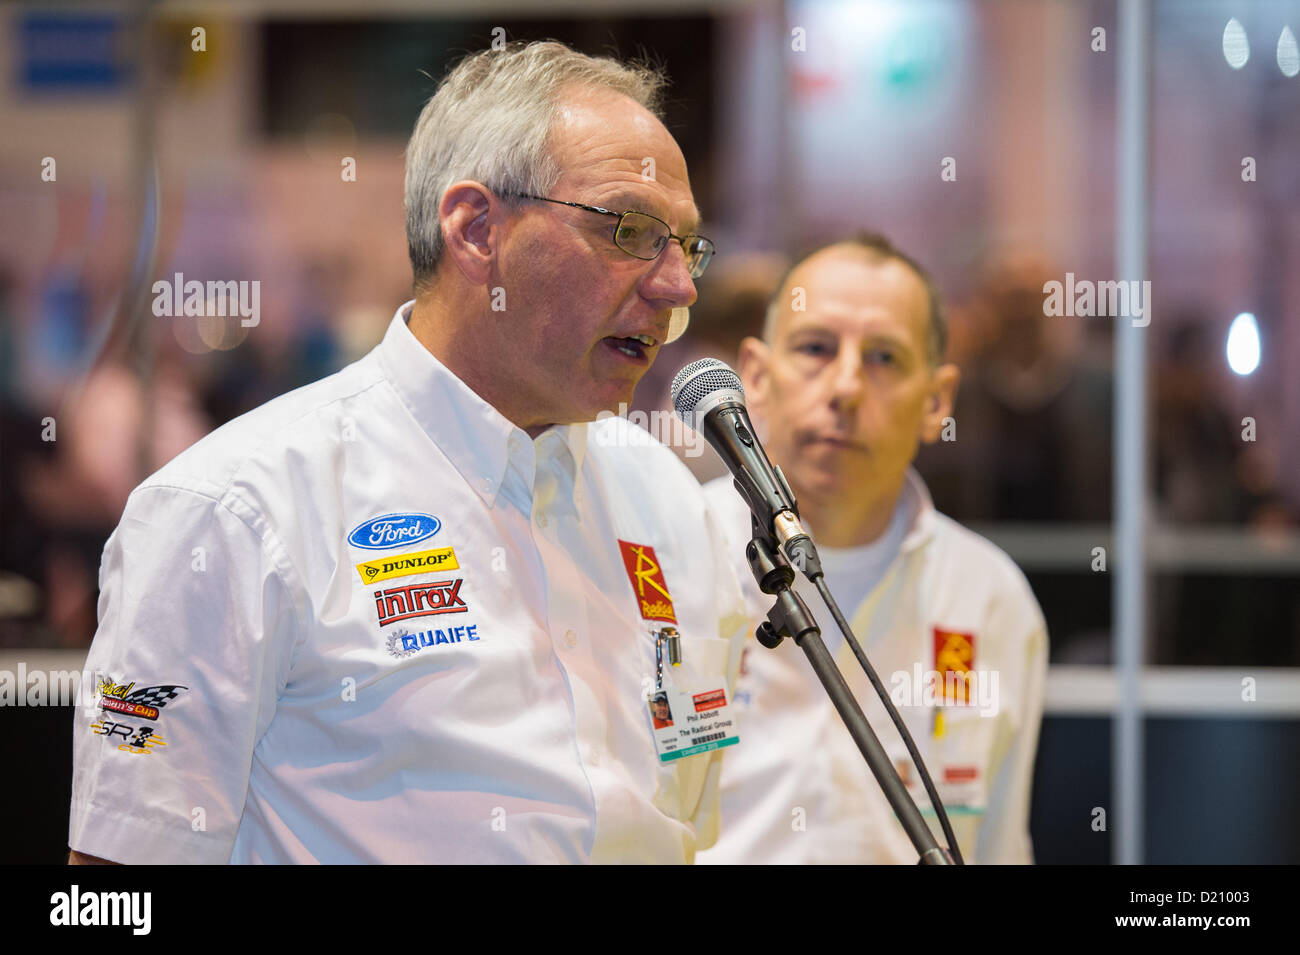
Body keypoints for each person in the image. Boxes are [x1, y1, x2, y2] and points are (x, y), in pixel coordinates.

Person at [69, 41, 747, 865]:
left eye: (687, 246)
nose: (679, 285)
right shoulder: (234, 508)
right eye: (632, 231)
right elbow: (116, 885)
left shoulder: (669, 501)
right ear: (476, 229)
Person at [694, 235, 1048, 864]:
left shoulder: (991, 596)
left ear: (936, 401)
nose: (847, 386)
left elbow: (998, 847)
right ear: (755, 376)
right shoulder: (672, 552)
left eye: (884, 357)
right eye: (815, 348)